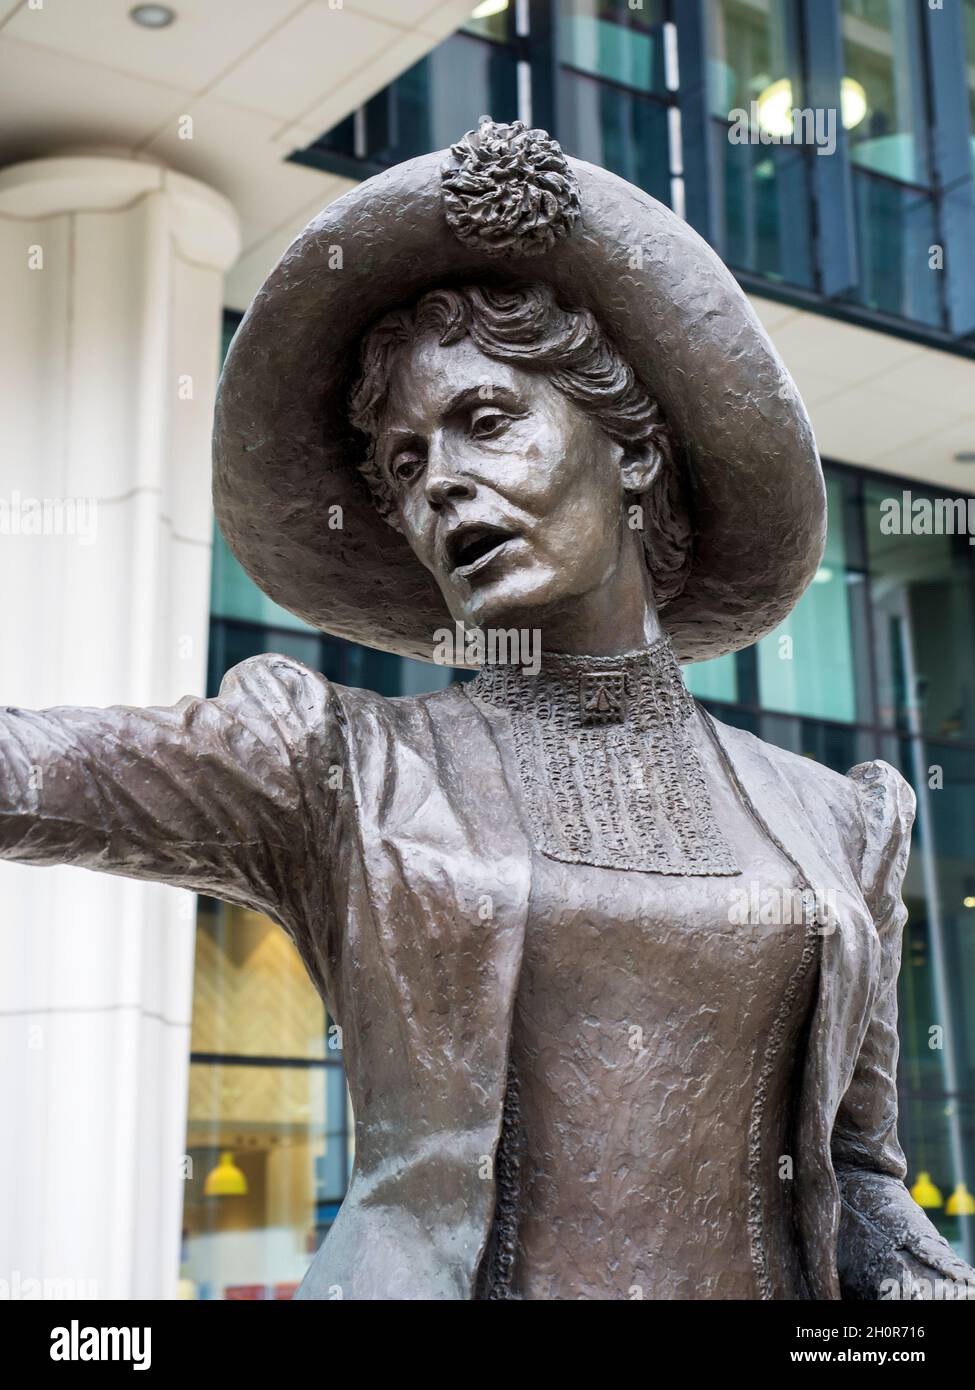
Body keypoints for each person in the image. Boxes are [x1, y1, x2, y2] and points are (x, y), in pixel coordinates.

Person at [2, 119, 972, 1300]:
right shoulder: (340, 770)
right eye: (405, 467)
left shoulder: (842, 822)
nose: (441, 481)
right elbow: (33, 768)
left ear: (634, 452)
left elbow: (859, 1179)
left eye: (488, 421)